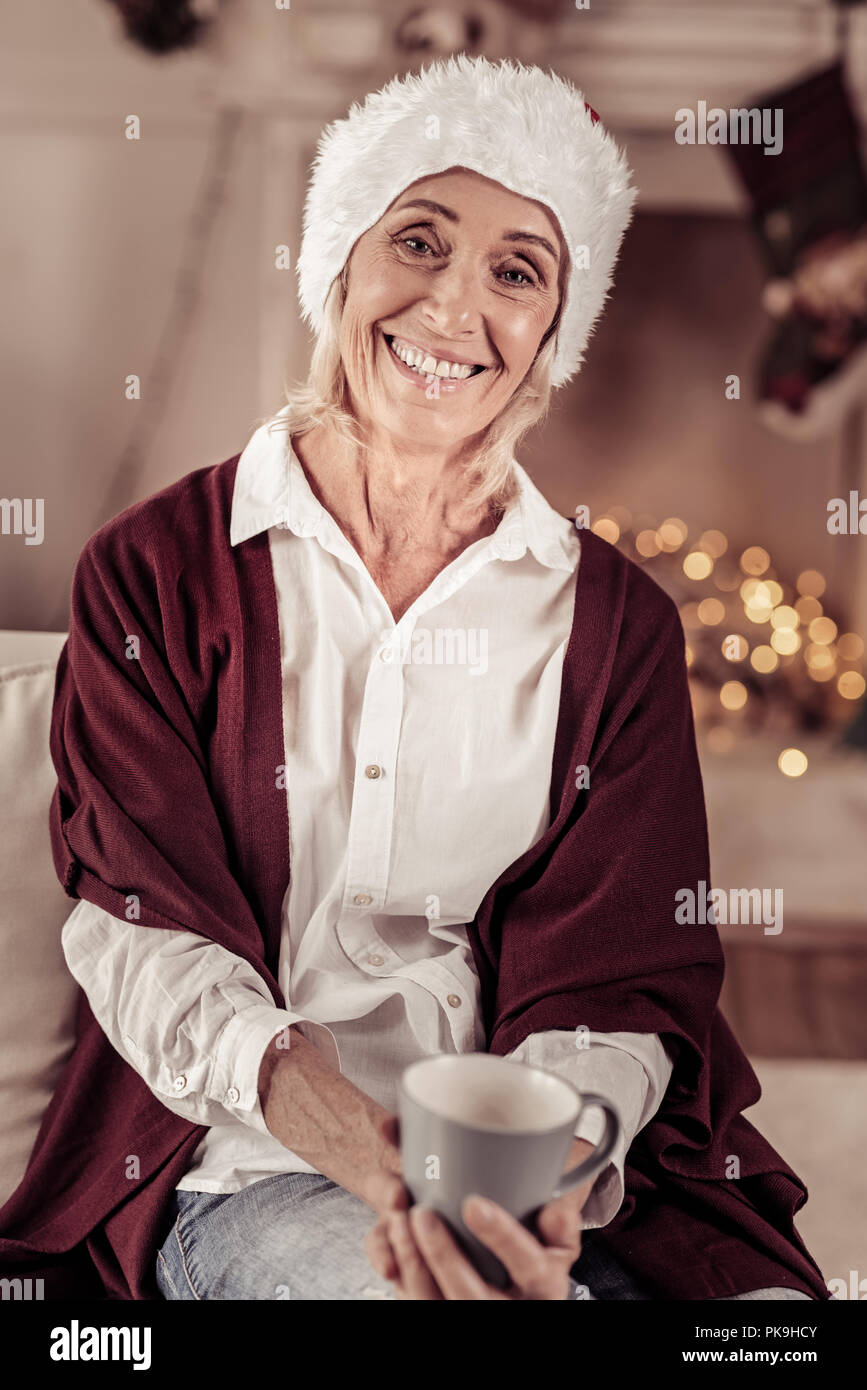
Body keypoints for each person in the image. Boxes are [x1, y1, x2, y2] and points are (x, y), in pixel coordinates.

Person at [0, 55, 828, 1302]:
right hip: (253, 1168)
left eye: (516, 271)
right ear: (341, 260)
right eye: (420, 241)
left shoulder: (617, 627)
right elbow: (145, 933)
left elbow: (623, 975)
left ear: (554, 330)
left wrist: (534, 1176)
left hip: (550, 1182)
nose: (453, 308)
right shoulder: (155, 574)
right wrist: (392, 1175)